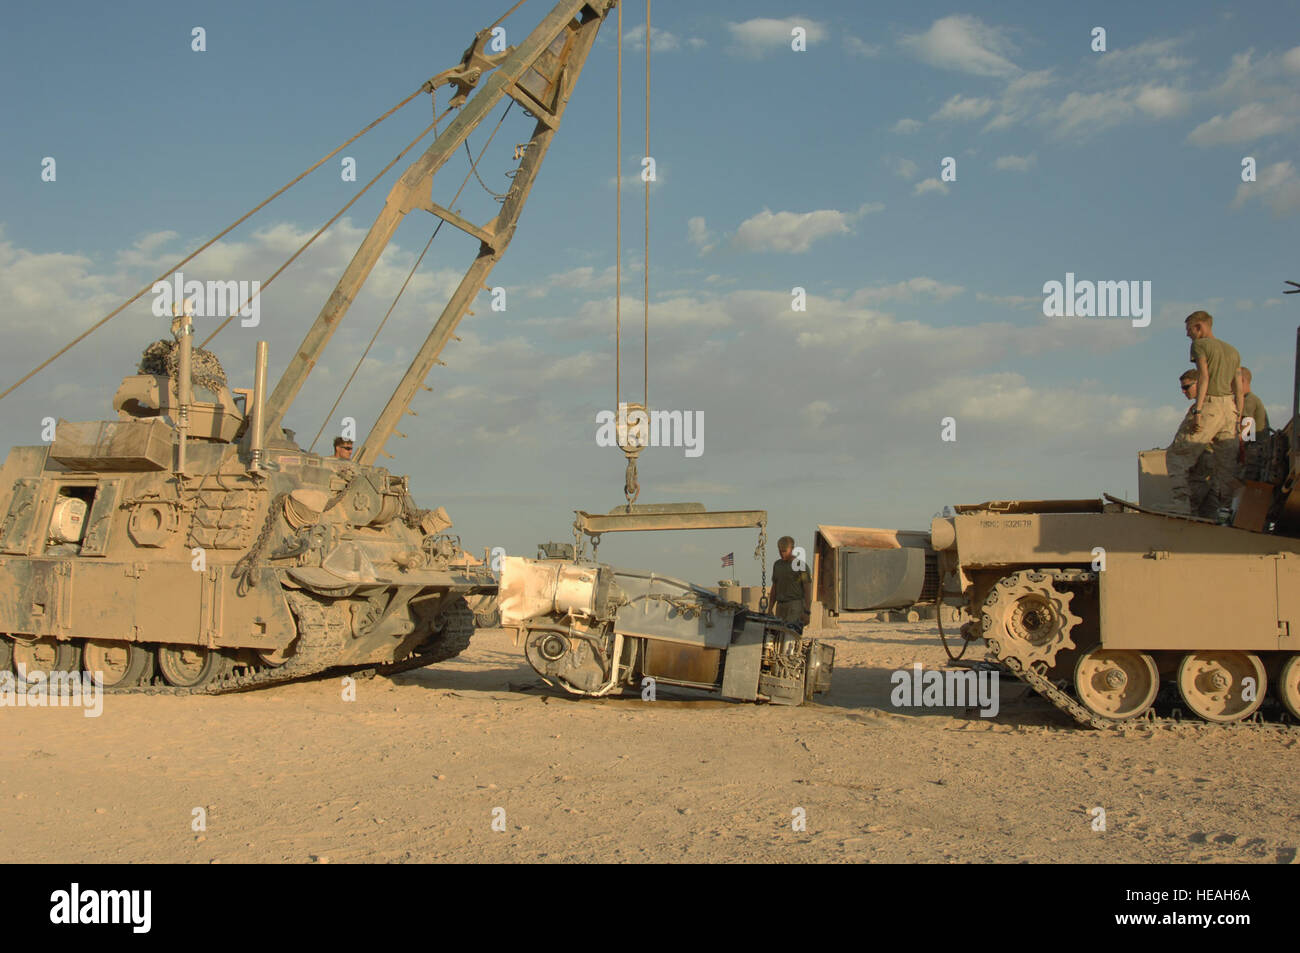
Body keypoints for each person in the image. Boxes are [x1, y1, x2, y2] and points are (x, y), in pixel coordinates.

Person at [1166, 311, 1242, 518]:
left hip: (1211, 404)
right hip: (1230, 408)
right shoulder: (1232, 351)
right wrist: (1238, 417)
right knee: (1225, 467)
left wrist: (1198, 410)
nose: (1188, 335)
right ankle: (1226, 512)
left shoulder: (1200, 346)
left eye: (1189, 330)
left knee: (1177, 455)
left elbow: (1205, 378)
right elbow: (1237, 385)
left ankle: (1180, 505)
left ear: (1199, 327)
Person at [1170, 370, 1215, 518]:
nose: (1184, 391)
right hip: (1202, 461)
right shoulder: (1199, 407)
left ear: (1199, 384)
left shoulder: (1204, 408)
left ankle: (1181, 505)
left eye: (1187, 387)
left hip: (1205, 459)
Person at [769, 536, 811, 628]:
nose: (781, 553)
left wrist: (807, 612)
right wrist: (770, 607)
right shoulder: (777, 565)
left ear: (792, 549)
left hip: (795, 605)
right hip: (780, 606)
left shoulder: (801, 566)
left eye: (784, 551)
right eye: (780, 551)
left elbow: (807, 590)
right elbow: (774, 588)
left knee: (790, 634)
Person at [1238, 366, 1270, 482]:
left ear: (1242, 381)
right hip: (1257, 448)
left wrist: (1239, 443)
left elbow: (1247, 424)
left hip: (1255, 449)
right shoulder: (1252, 399)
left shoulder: (1248, 400)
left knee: (1247, 482)